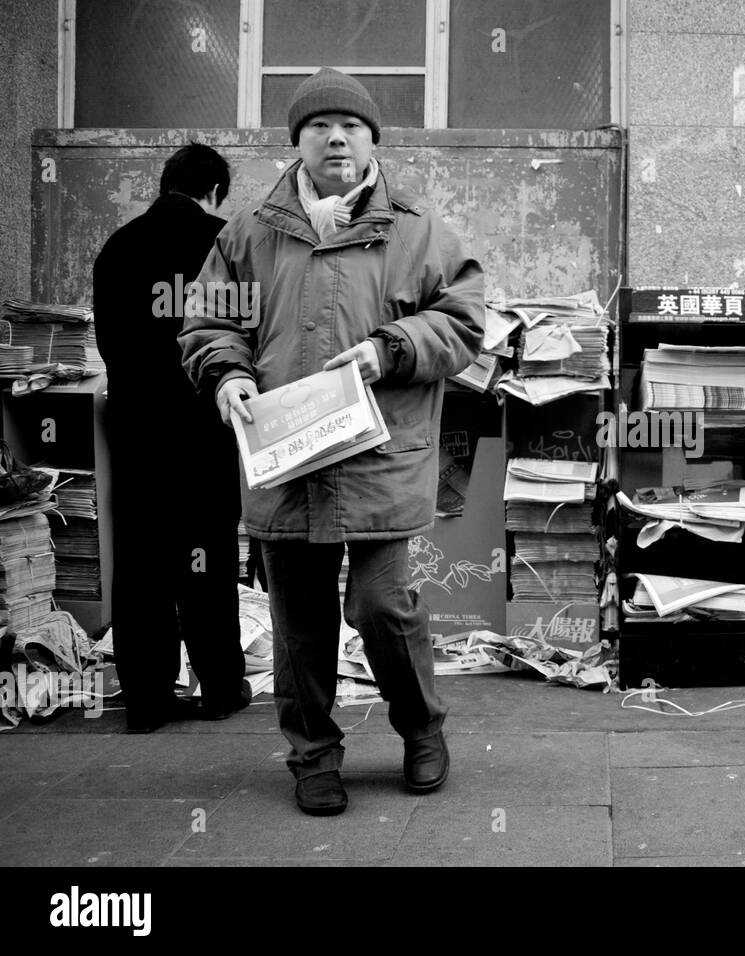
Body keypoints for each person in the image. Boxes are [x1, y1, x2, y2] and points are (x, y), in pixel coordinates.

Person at [179, 68, 485, 816]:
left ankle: (421, 728)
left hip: (381, 458)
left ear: (373, 139)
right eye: (319, 126)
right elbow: (209, 322)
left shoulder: (419, 230)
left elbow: (465, 322)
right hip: (285, 458)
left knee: (382, 606)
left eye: (351, 126)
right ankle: (314, 755)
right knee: (299, 625)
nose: (336, 138)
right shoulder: (249, 233)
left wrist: (391, 349)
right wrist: (227, 375)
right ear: (298, 141)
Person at [93, 143, 250, 734]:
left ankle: (146, 699)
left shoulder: (118, 246)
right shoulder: (225, 242)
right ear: (214, 191)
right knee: (206, 554)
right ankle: (220, 687)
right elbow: (242, 334)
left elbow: (110, 344)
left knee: (140, 560)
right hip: (204, 426)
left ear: (165, 185)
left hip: (136, 429)